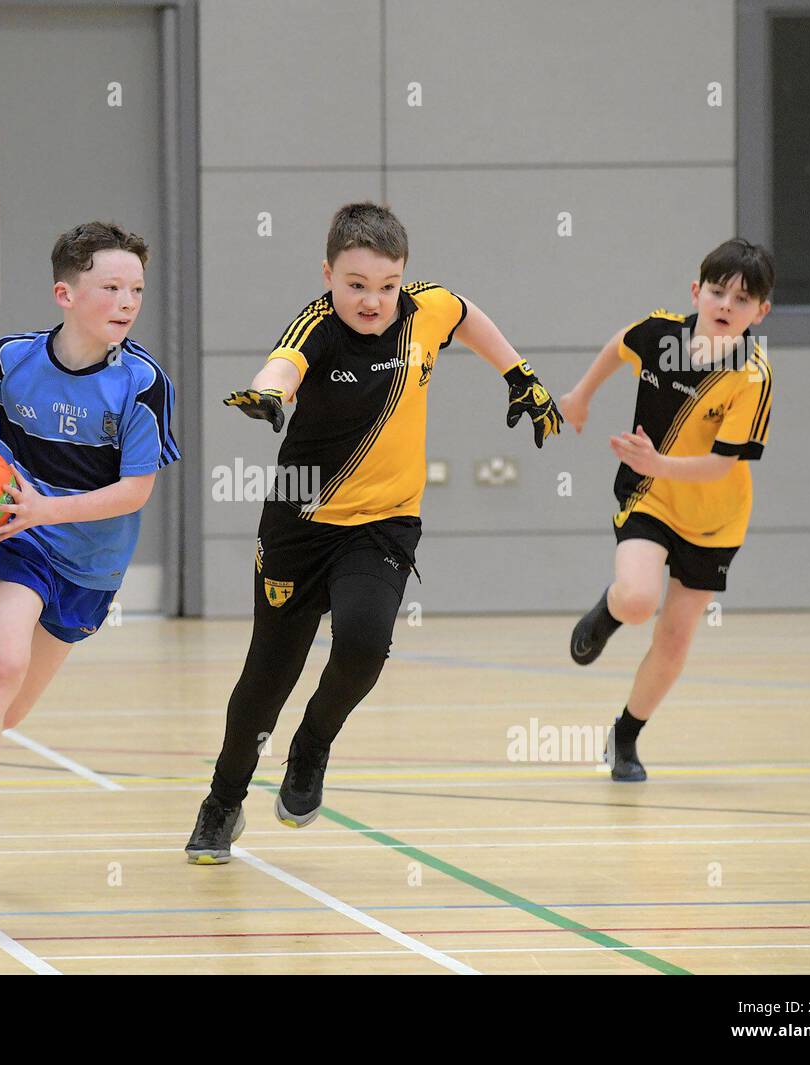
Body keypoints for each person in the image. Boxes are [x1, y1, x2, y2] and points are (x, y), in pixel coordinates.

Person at [185, 201, 563, 862]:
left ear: (403, 278)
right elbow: (283, 364)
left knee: (364, 642)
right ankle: (223, 800)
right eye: (356, 284)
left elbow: (468, 314)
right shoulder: (318, 326)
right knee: (265, 682)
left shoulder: (428, 309)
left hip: (383, 523)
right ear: (329, 273)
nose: (372, 300)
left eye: (387, 286)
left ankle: (312, 745)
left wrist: (519, 374)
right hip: (300, 524)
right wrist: (270, 394)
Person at [0, 221, 179, 904]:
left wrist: (48, 509)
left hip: (92, 564)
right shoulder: (9, 361)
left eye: (136, 289)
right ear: (65, 292)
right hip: (17, 540)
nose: (126, 301)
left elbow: (136, 489)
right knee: (3, 663)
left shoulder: (141, 383)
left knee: (10, 707)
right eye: (110, 286)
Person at [559, 238, 774, 781]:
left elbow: (721, 465)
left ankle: (625, 737)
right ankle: (609, 613)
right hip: (648, 496)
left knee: (674, 639)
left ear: (762, 312)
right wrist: (582, 394)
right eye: (718, 291)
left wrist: (658, 460)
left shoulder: (752, 376)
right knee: (636, 600)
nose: (727, 305)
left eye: (743, 300)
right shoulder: (659, 334)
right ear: (696, 291)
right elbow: (619, 345)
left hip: (715, 517)